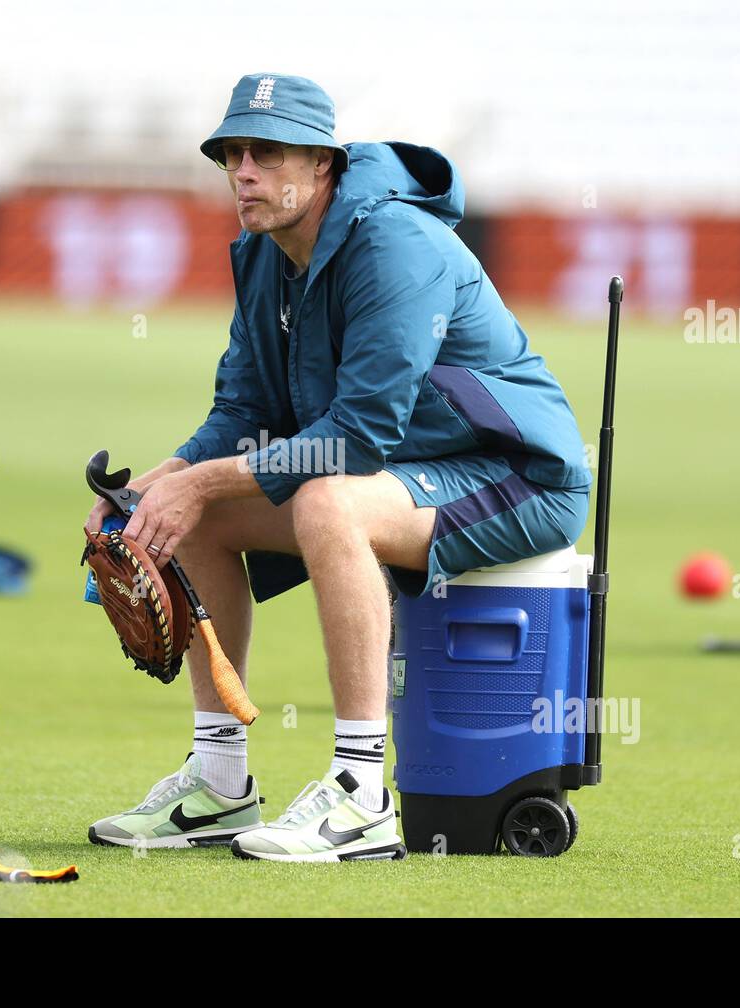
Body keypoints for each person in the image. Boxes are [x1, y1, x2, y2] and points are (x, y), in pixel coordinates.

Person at [86, 73, 591, 862]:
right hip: (408, 471)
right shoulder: (260, 253)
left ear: (322, 163)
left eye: (267, 152)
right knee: (196, 515)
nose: (243, 171)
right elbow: (241, 413)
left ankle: (361, 795)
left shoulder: (396, 243)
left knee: (328, 503)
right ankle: (220, 781)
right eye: (233, 155)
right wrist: (154, 487)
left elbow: (357, 438)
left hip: (517, 475)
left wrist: (201, 482)